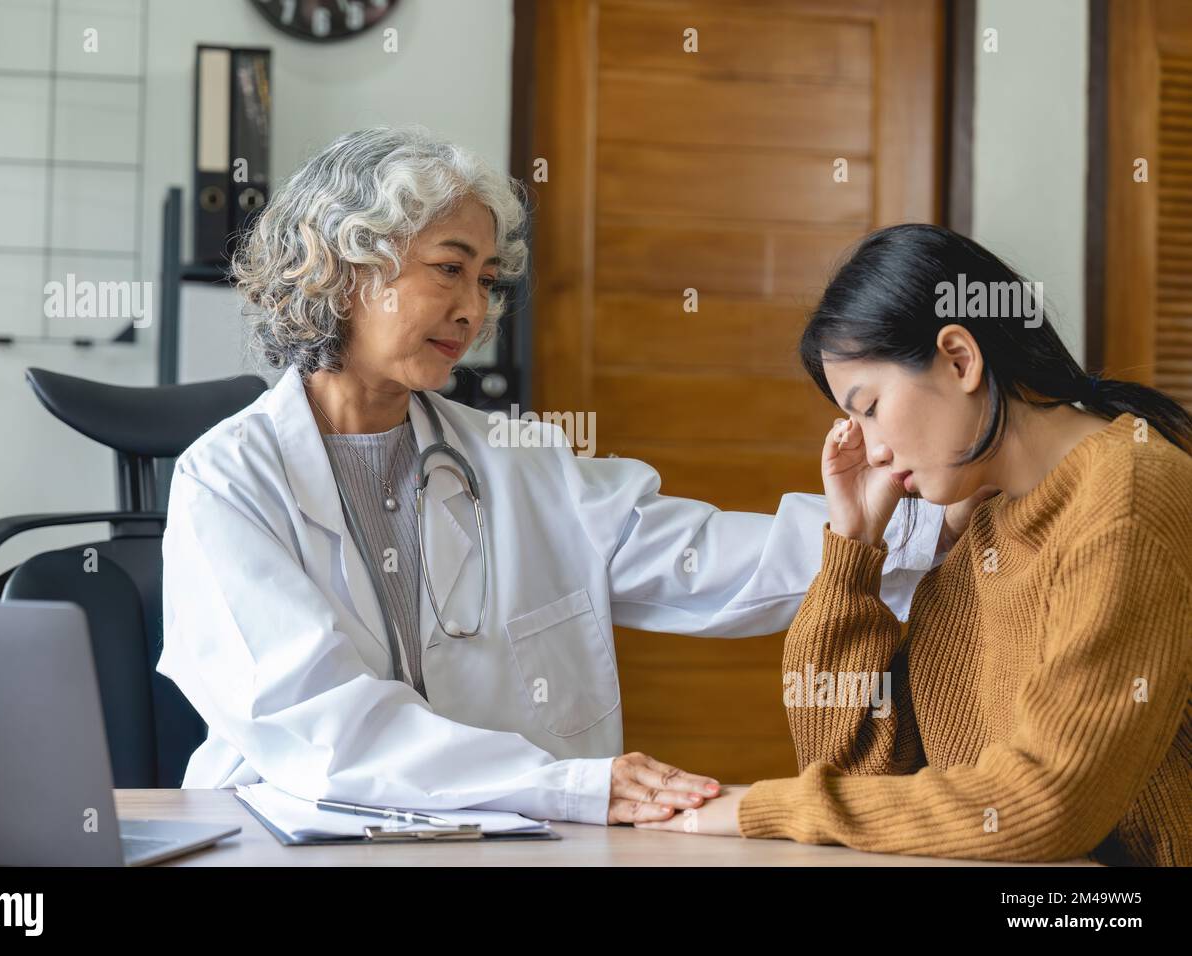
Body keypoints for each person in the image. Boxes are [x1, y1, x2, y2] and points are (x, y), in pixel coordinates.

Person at [157, 128, 970, 827]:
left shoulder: (514, 459)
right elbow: (319, 728)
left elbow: (700, 559)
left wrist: (907, 528)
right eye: (449, 268)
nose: (475, 310)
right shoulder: (226, 483)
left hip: (499, 843)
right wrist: (569, 785)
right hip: (289, 835)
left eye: (486, 280)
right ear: (343, 264)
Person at [637, 223, 1192, 865]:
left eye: (869, 406)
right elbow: (860, 778)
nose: (871, 450)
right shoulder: (981, 526)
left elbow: (1044, 806)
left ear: (960, 358)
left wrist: (763, 809)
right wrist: (853, 550)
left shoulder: (1126, 499)